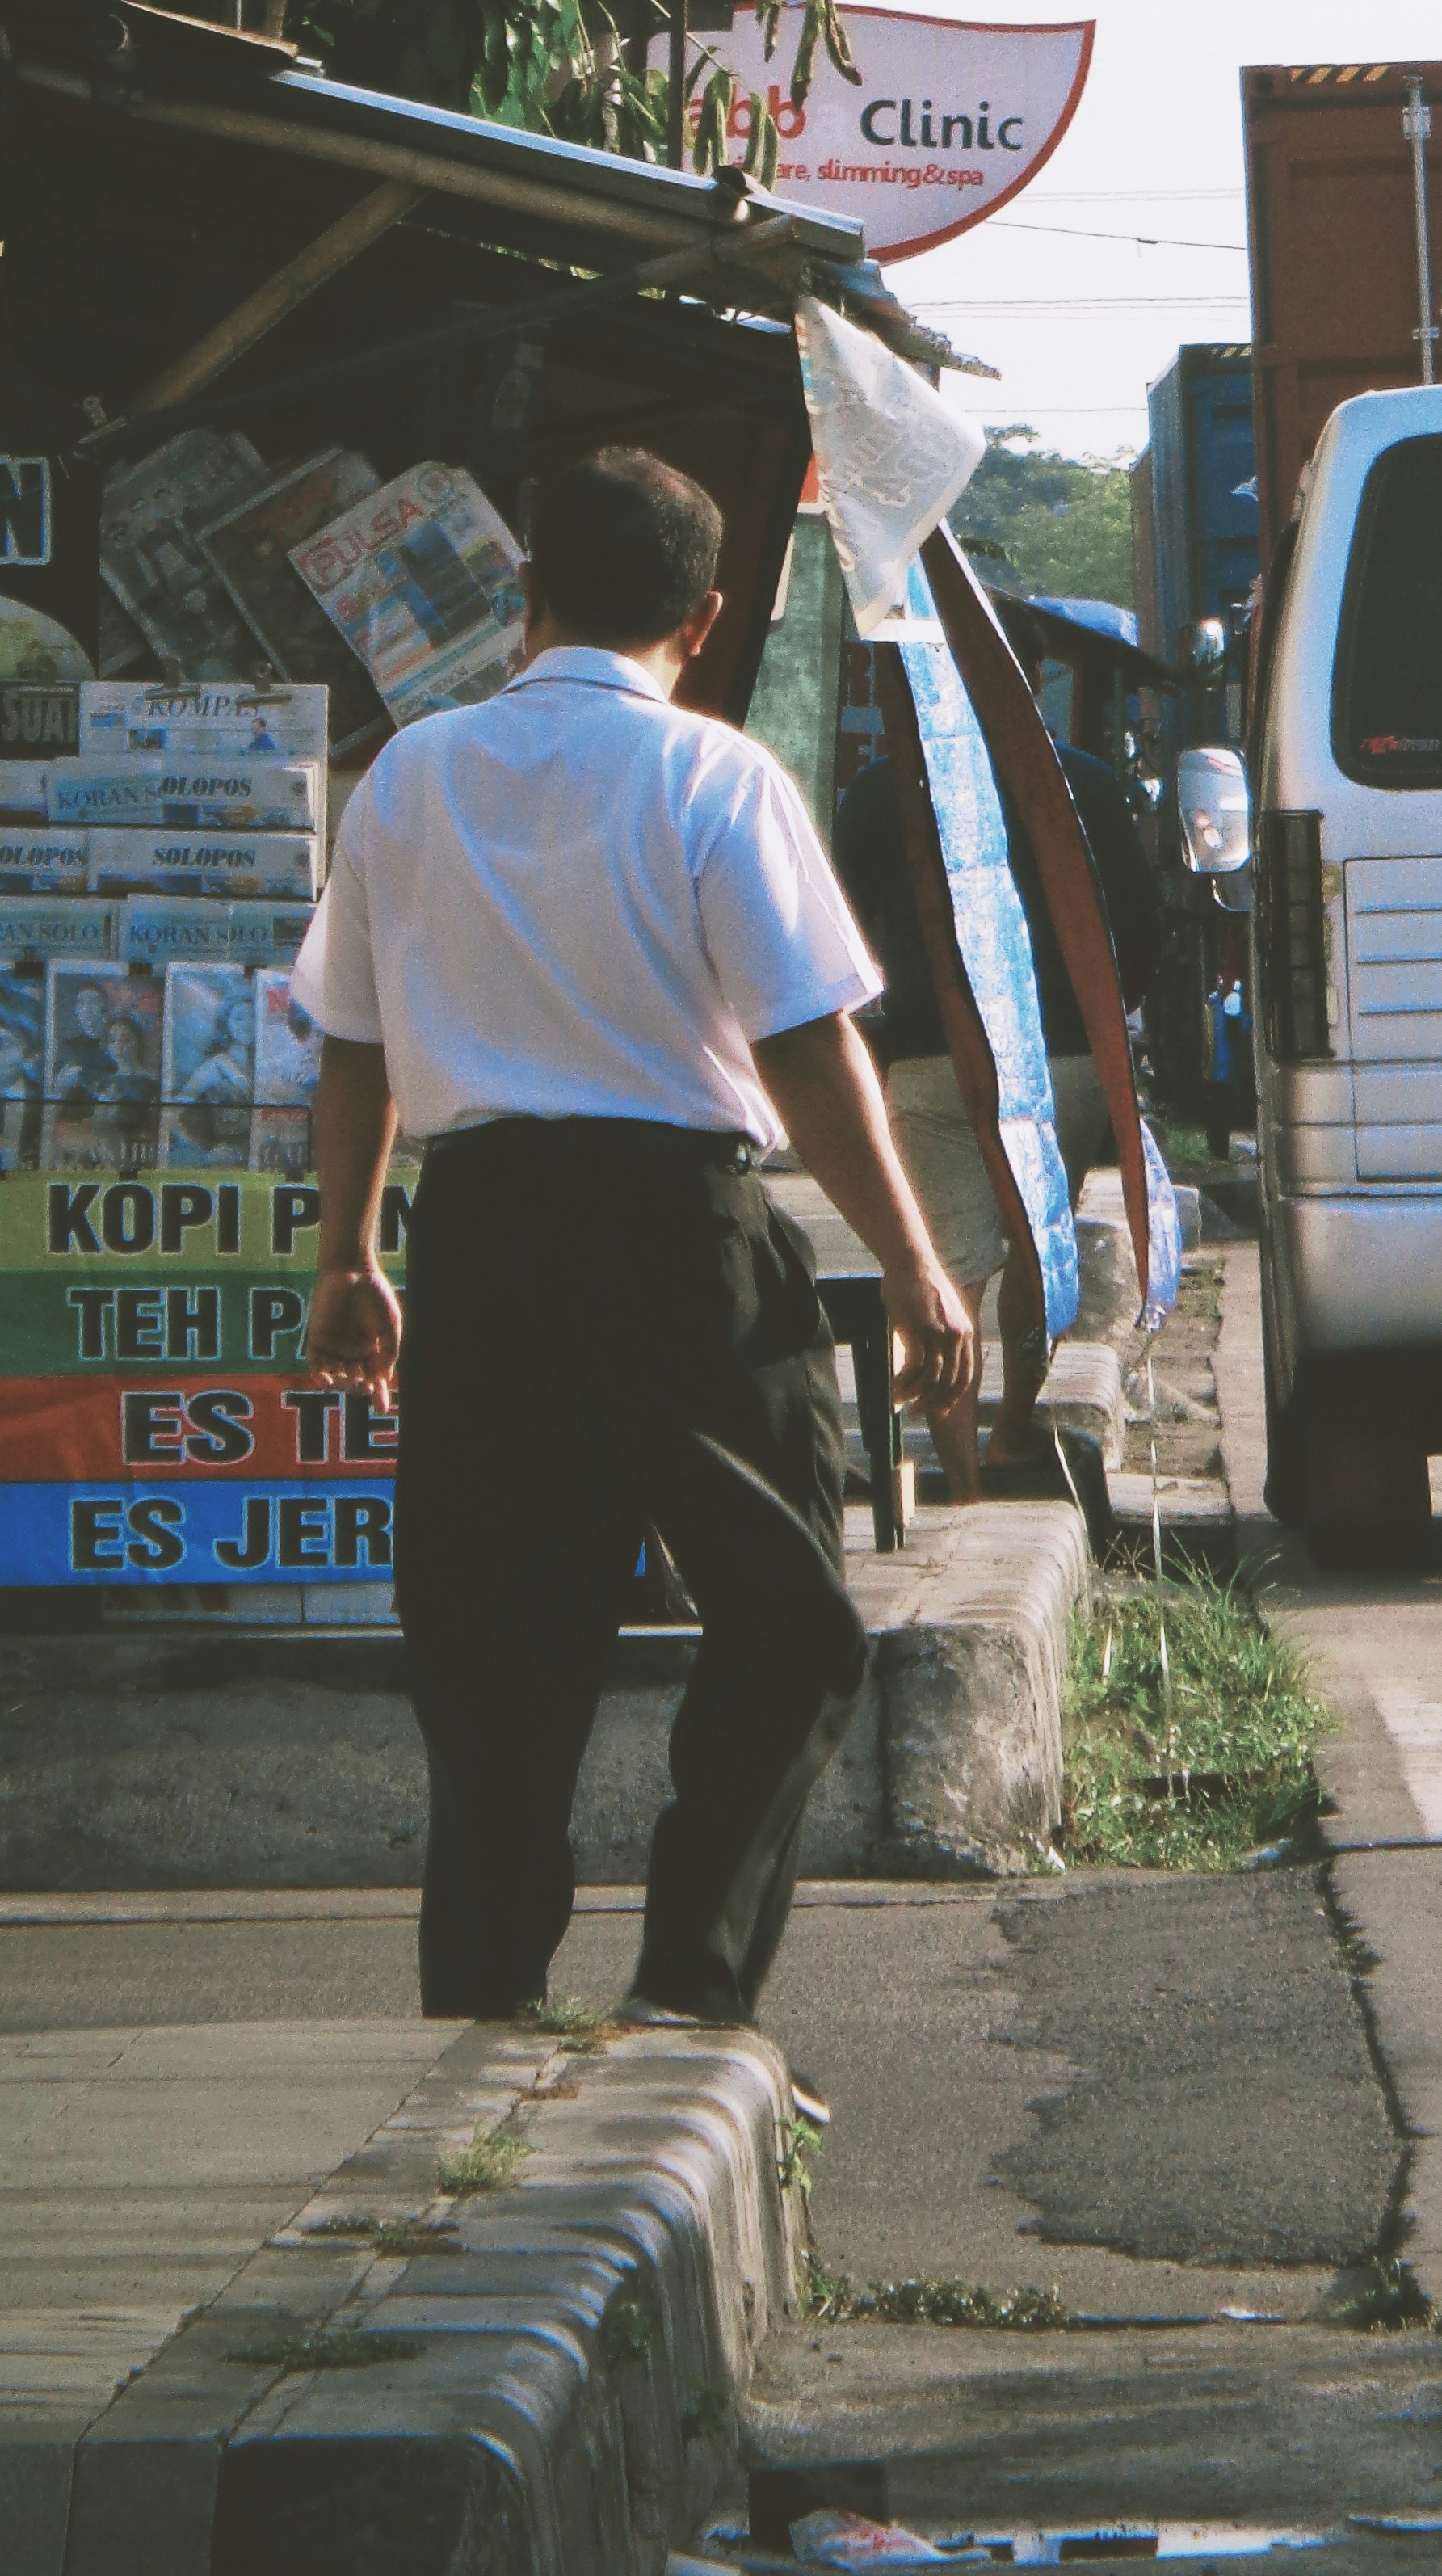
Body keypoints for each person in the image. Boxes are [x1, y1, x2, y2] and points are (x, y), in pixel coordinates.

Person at [296, 447, 977, 2033]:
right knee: (791, 1618)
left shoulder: (412, 772)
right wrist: (919, 1259)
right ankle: (688, 1990)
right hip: (679, 1235)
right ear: (711, 611)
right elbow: (809, 1049)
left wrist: (349, 1255)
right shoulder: (717, 777)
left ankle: (482, 2008)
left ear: (526, 595)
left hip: (476, 1239)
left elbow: (347, 1041)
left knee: (491, 1637)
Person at [832, 717, 1161, 1495]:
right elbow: (1141, 930)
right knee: (1034, 1246)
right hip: (1062, 1056)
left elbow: (841, 934)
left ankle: (965, 1478)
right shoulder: (1084, 783)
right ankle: (1014, 1427)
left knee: (949, 1271)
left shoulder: (880, 790)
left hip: (927, 1054)